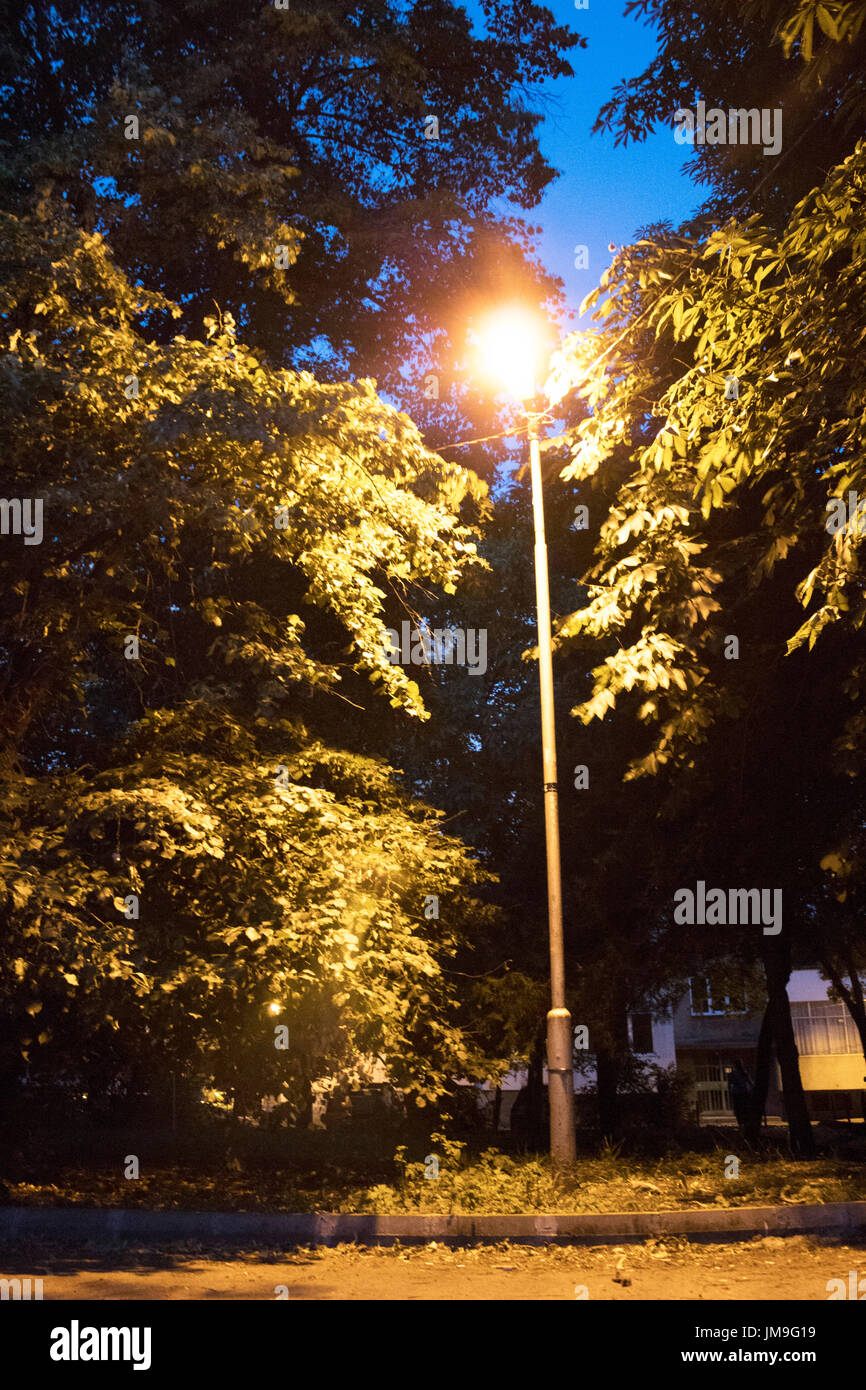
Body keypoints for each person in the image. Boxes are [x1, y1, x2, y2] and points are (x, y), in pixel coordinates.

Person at [727, 1060, 753, 1131]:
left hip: (737, 1093)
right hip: (745, 1092)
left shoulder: (732, 1074)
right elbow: (750, 1082)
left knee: (738, 1109)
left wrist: (730, 1091)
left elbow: (729, 1084)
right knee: (745, 1108)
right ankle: (746, 1123)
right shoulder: (744, 1073)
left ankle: (740, 1123)